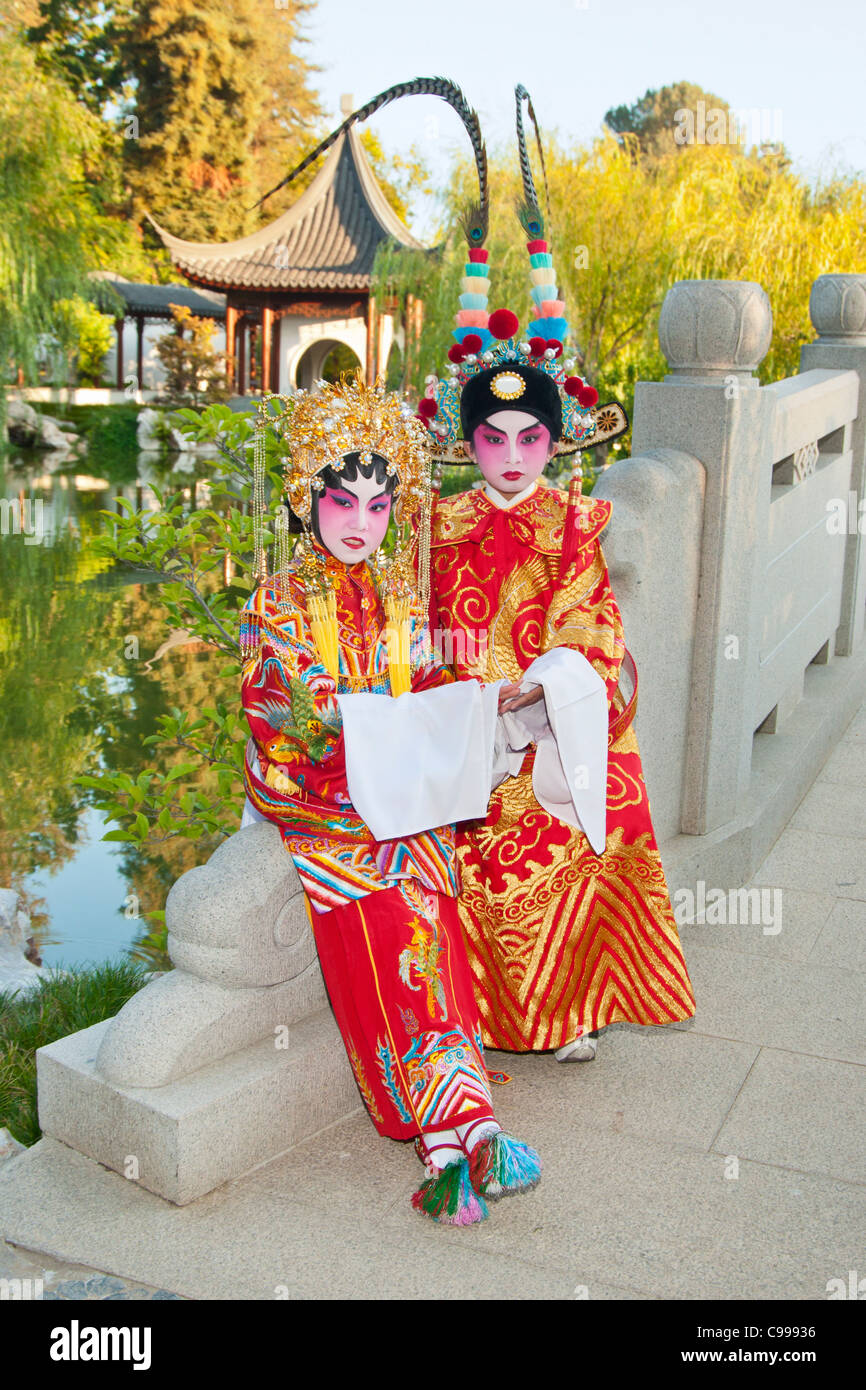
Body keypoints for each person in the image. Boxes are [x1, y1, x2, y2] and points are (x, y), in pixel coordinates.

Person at [413, 91, 696, 1063]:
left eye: (528, 437)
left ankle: (569, 1007)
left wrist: (547, 685)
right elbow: (414, 617)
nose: (508, 456)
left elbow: (591, 619)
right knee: (462, 855)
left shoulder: (575, 520)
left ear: (553, 439)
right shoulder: (437, 523)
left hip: (544, 719)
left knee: (578, 821)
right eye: (489, 438)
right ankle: (472, 1013)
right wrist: (458, 686)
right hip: (467, 717)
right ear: (466, 441)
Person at [238, 374, 540, 1224]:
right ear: (306, 499)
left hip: (401, 805)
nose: (362, 525)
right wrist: (379, 732)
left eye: (379, 506)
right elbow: (290, 730)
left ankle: (452, 1134)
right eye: (343, 503)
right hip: (324, 815)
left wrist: (485, 696)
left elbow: (434, 679)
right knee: (398, 923)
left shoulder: (399, 597)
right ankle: (459, 1126)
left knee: (433, 914)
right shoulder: (277, 605)